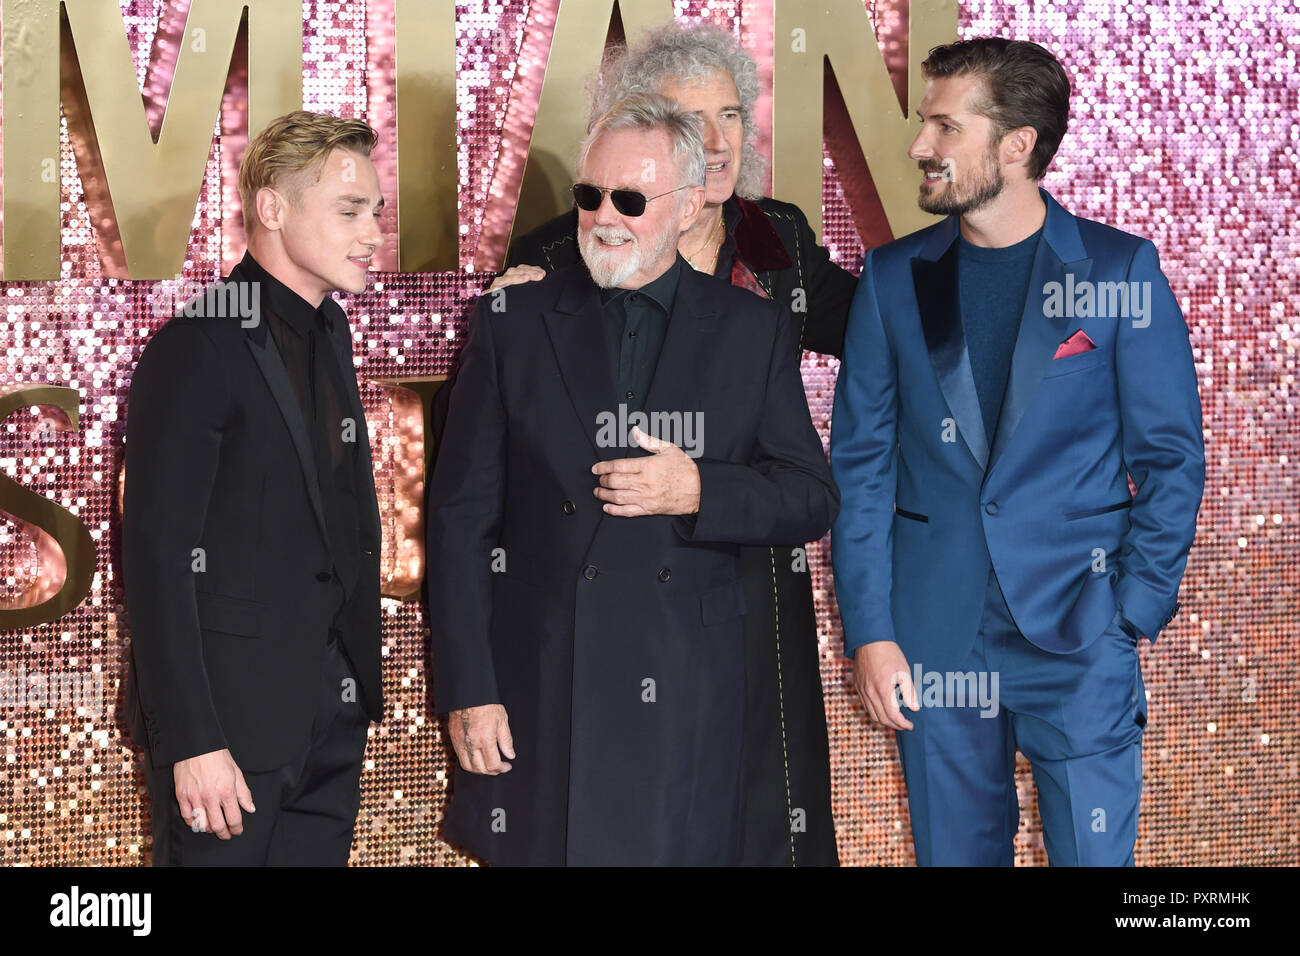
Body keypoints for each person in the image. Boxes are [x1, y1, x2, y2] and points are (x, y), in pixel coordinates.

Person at [428, 93, 839, 866]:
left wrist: (700, 492)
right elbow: (459, 524)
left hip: (686, 694)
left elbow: (811, 496)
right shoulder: (513, 320)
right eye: (589, 196)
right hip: (544, 688)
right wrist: (469, 689)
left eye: (630, 199)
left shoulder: (753, 330)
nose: (603, 218)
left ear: (688, 209)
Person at [830, 38, 1204, 865]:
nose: (921, 148)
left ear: (1017, 143)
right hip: (935, 637)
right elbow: (861, 470)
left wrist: (1131, 613)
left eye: (944, 127)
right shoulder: (893, 280)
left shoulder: (1118, 270)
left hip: (1079, 634)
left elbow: (1173, 456)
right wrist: (872, 630)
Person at [122, 111, 387, 866]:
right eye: (349, 211)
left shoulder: (330, 330)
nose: (371, 232)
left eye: (376, 211)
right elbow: (158, 560)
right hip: (230, 736)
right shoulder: (195, 348)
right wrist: (193, 741)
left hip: (331, 716)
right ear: (272, 209)